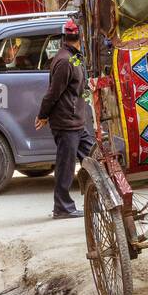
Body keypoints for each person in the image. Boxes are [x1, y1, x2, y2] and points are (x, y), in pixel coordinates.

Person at [37, 18, 94, 219]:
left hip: (76, 122)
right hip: (66, 123)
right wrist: (42, 115)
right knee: (65, 167)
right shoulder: (64, 61)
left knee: (93, 160)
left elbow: (79, 85)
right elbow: (53, 93)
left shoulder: (74, 57)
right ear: (81, 38)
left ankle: (99, 198)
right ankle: (62, 208)